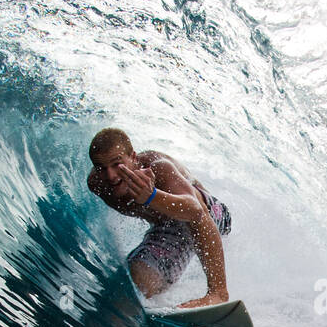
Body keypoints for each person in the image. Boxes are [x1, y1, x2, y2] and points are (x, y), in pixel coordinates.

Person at [86, 128, 232, 308]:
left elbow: (195, 210)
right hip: (168, 225)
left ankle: (218, 293)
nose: (111, 176)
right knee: (135, 274)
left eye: (117, 164)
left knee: (195, 207)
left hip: (213, 213)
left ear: (133, 157)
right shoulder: (97, 184)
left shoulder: (158, 167)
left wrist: (151, 196)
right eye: (101, 168)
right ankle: (163, 288)